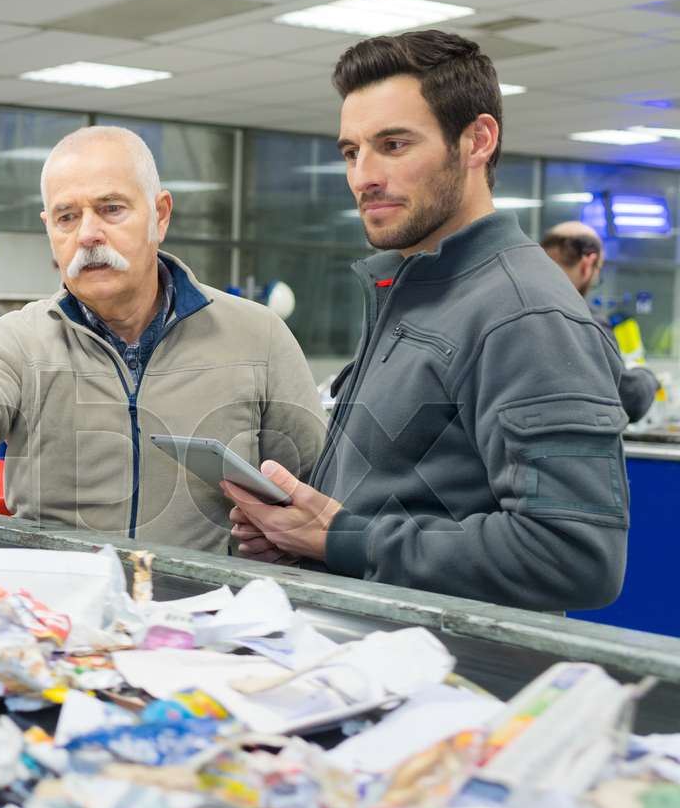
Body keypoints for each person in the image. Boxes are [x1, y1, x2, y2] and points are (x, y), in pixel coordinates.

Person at [226, 30, 628, 611]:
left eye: (393, 145)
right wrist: (301, 536)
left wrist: (338, 537)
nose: (362, 176)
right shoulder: (414, 290)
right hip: (377, 663)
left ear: (476, 141)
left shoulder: (524, 314)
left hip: (464, 685)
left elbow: (575, 555)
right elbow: (408, 499)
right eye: (351, 151)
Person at [0, 125, 324, 550]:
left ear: (160, 214)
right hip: (60, 613)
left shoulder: (257, 336)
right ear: (49, 230)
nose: (88, 234)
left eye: (111, 208)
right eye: (66, 217)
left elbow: (320, 485)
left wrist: (283, 544)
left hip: (208, 615)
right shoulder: (20, 339)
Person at [540, 220, 659, 422]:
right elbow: (629, 399)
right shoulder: (584, 319)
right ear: (588, 263)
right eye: (599, 270)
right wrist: (648, 376)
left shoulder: (509, 304)